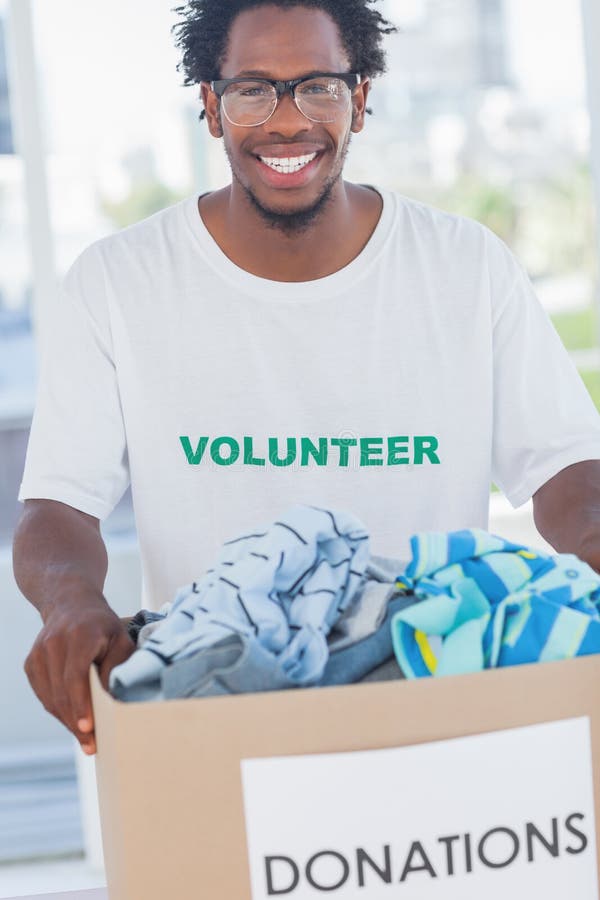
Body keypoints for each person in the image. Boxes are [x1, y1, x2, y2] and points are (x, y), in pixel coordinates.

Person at [12, 0, 600, 755]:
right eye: (252, 90)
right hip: (216, 718)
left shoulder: (467, 266)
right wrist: (69, 603)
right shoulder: (118, 281)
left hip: (437, 716)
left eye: (318, 86)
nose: (287, 121)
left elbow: (567, 473)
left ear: (360, 99)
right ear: (211, 106)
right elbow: (58, 507)